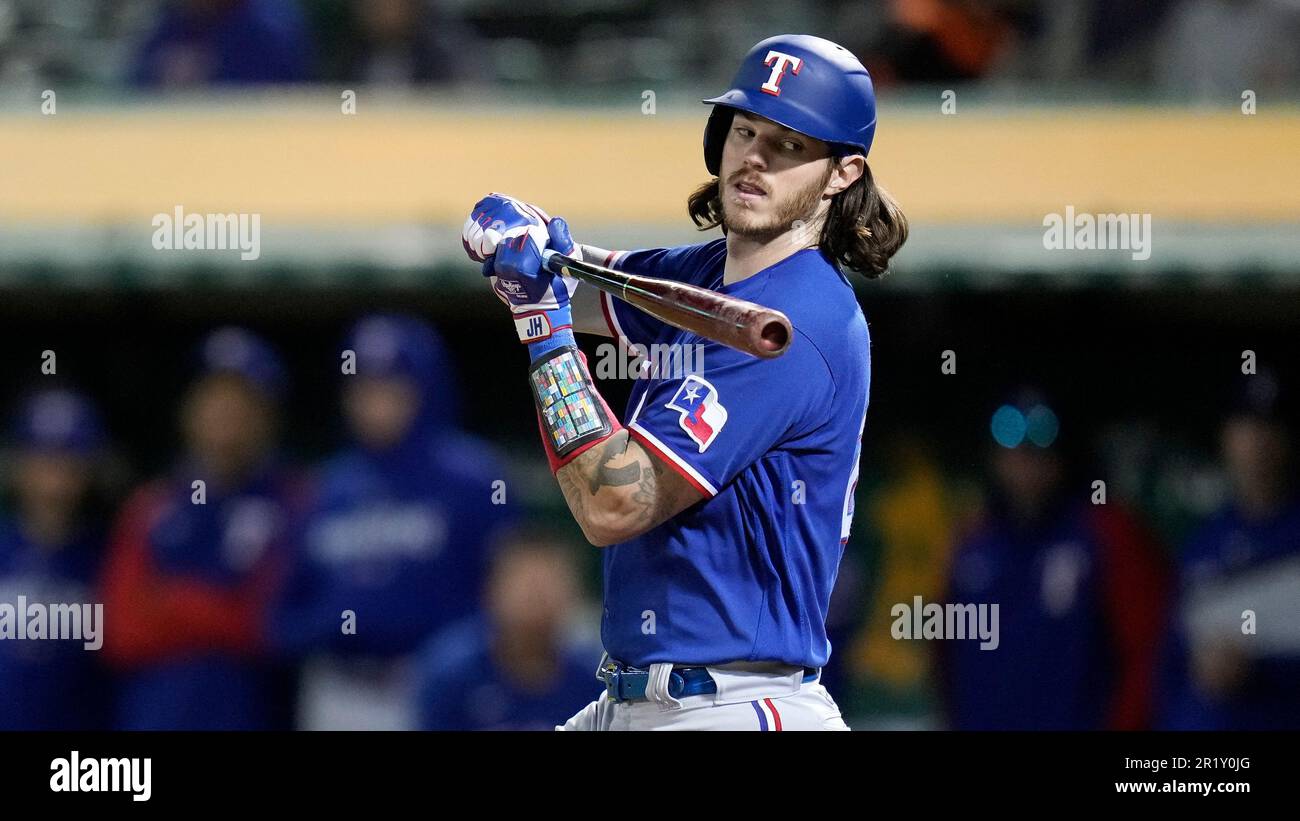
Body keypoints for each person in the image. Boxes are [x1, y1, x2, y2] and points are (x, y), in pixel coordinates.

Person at [461, 34, 908, 730]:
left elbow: (616, 500)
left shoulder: (802, 319)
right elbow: (575, 284)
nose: (755, 156)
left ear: (843, 172)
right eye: (746, 130)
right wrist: (522, 242)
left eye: (790, 144)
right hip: (641, 696)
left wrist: (540, 324)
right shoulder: (705, 274)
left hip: (734, 699)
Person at [269, 314, 513, 729]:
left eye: (391, 386)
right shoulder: (327, 488)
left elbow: (507, 597)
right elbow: (283, 611)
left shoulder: (475, 479)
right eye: (363, 387)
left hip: (437, 685)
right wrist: (329, 625)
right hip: (339, 688)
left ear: (426, 388)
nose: (376, 402)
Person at [99, 327, 302, 730]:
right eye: (211, 395)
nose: (225, 409)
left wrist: (171, 605)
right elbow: (119, 631)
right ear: (187, 408)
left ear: (269, 412)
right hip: (156, 717)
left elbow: (274, 626)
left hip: (257, 712)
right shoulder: (151, 506)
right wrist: (222, 609)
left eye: (242, 397)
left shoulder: (297, 500)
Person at [940, 389, 1170, 730]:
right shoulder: (972, 540)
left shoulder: (1106, 532)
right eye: (1012, 448)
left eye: (1037, 450)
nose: (1024, 461)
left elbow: (1150, 654)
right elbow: (944, 653)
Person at [1158, 370, 1300, 730]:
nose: (1257, 442)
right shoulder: (1202, 543)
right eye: (1245, 425)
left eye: (1269, 426)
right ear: (1225, 436)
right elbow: (1169, 663)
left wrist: (1261, 670)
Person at [0, 388, 113, 730]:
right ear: (19, 463)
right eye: (43, 457)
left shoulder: (109, 555)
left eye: (69, 458)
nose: (55, 476)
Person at [415, 534, 601, 730]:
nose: (537, 596)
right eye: (526, 584)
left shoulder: (593, 680)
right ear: (492, 590)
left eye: (548, 583)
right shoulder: (451, 676)